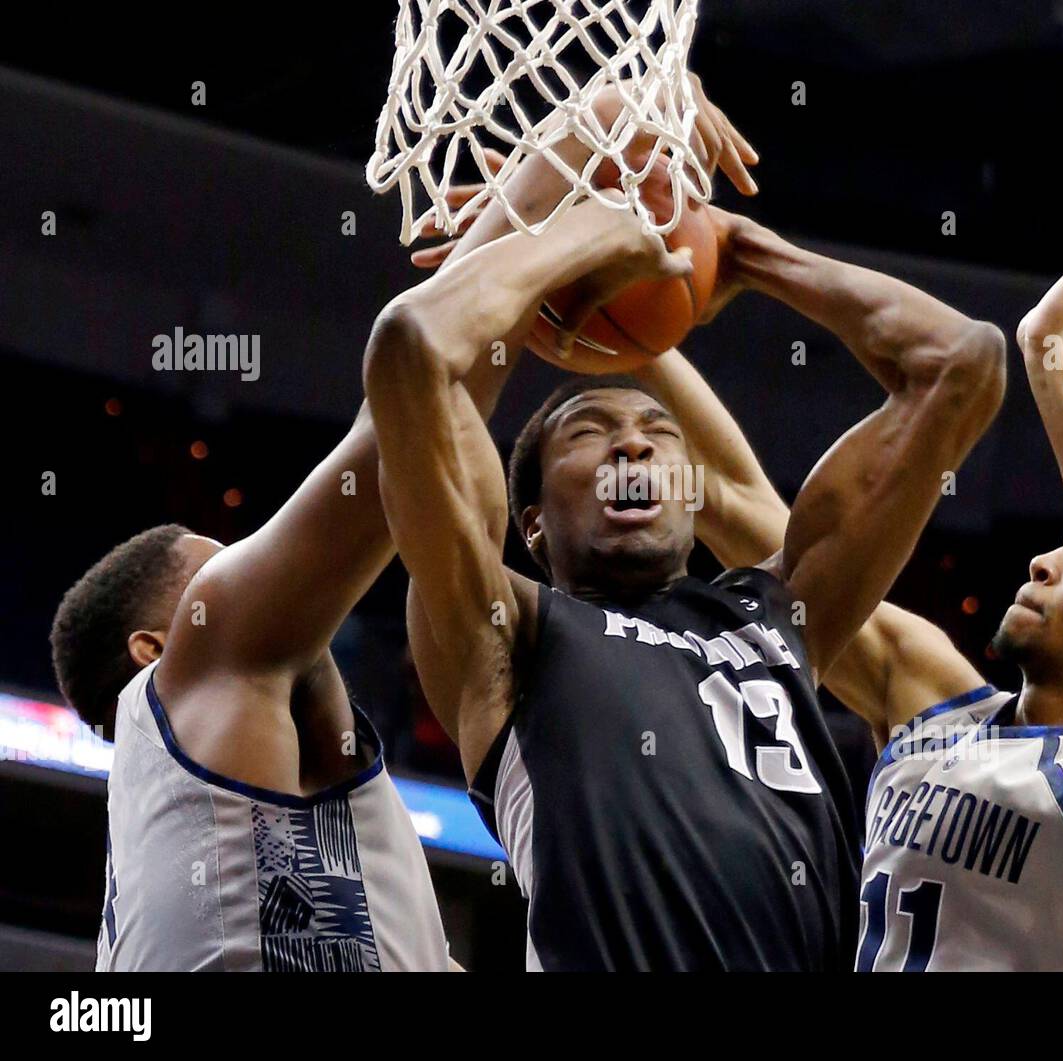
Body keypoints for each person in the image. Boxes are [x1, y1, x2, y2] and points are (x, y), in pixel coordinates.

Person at [365, 103, 1006, 967]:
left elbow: (962, 364)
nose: (633, 439)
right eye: (590, 431)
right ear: (531, 524)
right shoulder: (504, 632)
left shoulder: (780, 611)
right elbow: (412, 348)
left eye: (659, 434)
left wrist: (739, 249)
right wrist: (571, 231)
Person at [641, 183, 1063, 971]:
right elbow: (736, 504)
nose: (1041, 561)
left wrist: (1053, 357)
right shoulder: (931, 696)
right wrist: (634, 319)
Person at [51, 404, 466, 971]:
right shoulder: (185, 694)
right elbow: (399, 422)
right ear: (154, 652)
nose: (264, 576)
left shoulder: (168, 853)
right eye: (223, 577)